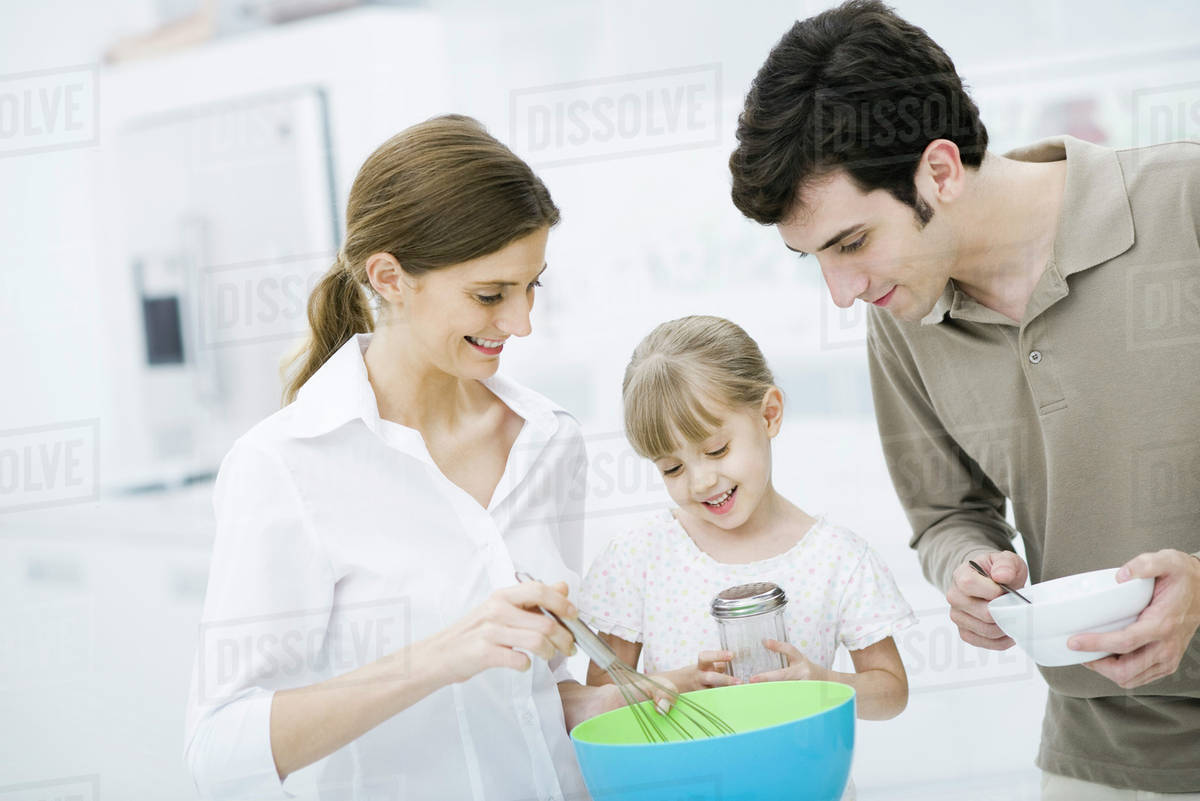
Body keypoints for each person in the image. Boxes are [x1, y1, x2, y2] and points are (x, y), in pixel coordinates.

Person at [728, 1, 1200, 798]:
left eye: (851, 243)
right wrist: (968, 568)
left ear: (939, 171)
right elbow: (946, 513)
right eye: (813, 260)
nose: (842, 291)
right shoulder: (901, 313)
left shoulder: (1182, 204)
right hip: (1102, 757)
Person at [184, 114, 632, 801]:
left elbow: (524, 703)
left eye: (531, 284)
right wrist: (439, 657)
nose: (522, 322)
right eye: (490, 295)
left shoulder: (548, 439)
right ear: (389, 277)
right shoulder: (285, 464)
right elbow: (218, 750)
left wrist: (619, 704)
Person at [578, 316, 915, 798]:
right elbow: (600, 703)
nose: (700, 482)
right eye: (672, 467)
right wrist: (673, 684)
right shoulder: (638, 557)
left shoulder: (838, 558)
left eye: (716, 450)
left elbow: (890, 693)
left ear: (770, 414)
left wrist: (820, 684)